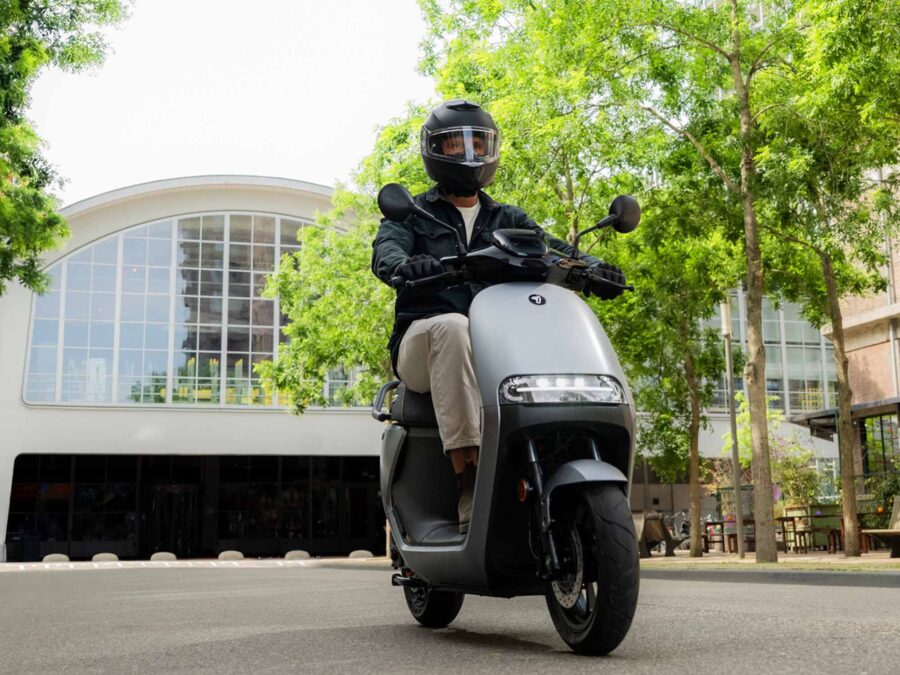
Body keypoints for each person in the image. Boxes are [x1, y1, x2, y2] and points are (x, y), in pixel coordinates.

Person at [371, 99, 626, 533]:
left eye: (477, 144)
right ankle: (467, 475)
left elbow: (553, 249)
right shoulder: (413, 212)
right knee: (452, 326)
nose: (467, 156)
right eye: (454, 146)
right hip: (422, 347)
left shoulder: (507, 217)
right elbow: (386, 251)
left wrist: (595, 267)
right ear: (434, 151)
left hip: (496, 352)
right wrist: (403, 265)